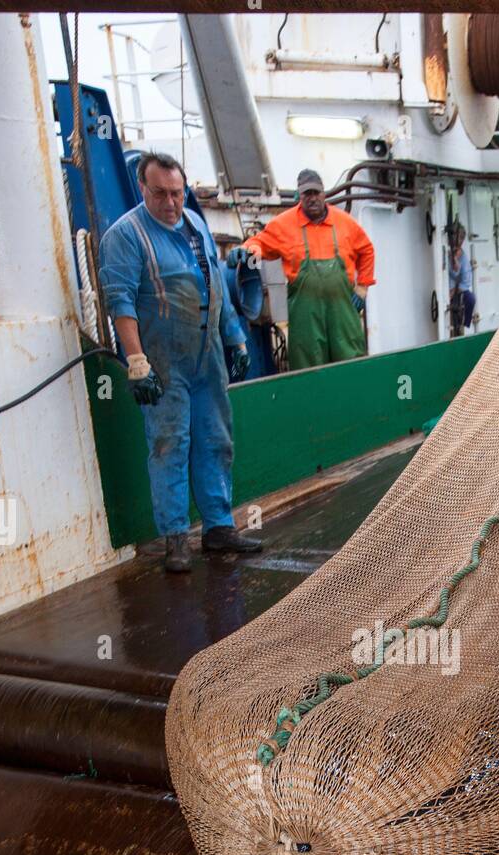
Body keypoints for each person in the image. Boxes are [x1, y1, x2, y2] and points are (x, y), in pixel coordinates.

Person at [99, 152, 261, 574]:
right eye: (160, 194)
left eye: (176, 193)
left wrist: (237, 340)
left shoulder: (196, 224)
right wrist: (137, 362)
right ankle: (175, 538)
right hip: (164, 361)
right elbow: (121, 304)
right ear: (142, 188)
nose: (171, 202)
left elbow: (216, 288)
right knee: (169, 443)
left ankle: (219, 527)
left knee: (215, 439)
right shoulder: (125, 236)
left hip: (207, 358)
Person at [228, 168, 374, 370]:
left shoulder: (345, 223)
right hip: (306, 317)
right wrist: (244, 250)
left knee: (350, 363)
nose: (312, 198)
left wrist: (363, 287)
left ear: (323, 193)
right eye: (307, 194)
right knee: (309, 367)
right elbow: (260, 243)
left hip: (342, 313)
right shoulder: (283, 225)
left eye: (316, 193)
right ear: (299, 196)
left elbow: (366, 249)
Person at [448, 223, 476, 334]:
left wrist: (453, 291)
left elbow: (466, 281)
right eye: (456, 236)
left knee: (470, 298)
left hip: (456, 293)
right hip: (444, 290)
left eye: (461, 238)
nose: (458, 240)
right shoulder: (446, 251)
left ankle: (463, 325)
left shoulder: (463, 259)